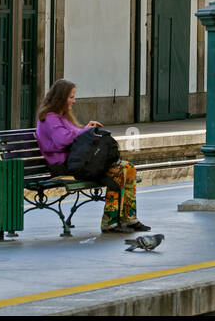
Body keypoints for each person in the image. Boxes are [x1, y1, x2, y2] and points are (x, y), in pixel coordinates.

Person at [34, 78, 149, 234]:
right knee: (119, 172)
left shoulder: (61, 117)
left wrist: (86, 129)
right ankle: (110, 221)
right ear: (60, 98)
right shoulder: (50, 118)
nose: (73, 101)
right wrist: (85, 131)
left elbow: (73, 136)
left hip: (77, 163)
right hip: (65, 166)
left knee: (128, 168)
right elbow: (63, 140)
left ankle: (129, 218)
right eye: (71, 97)